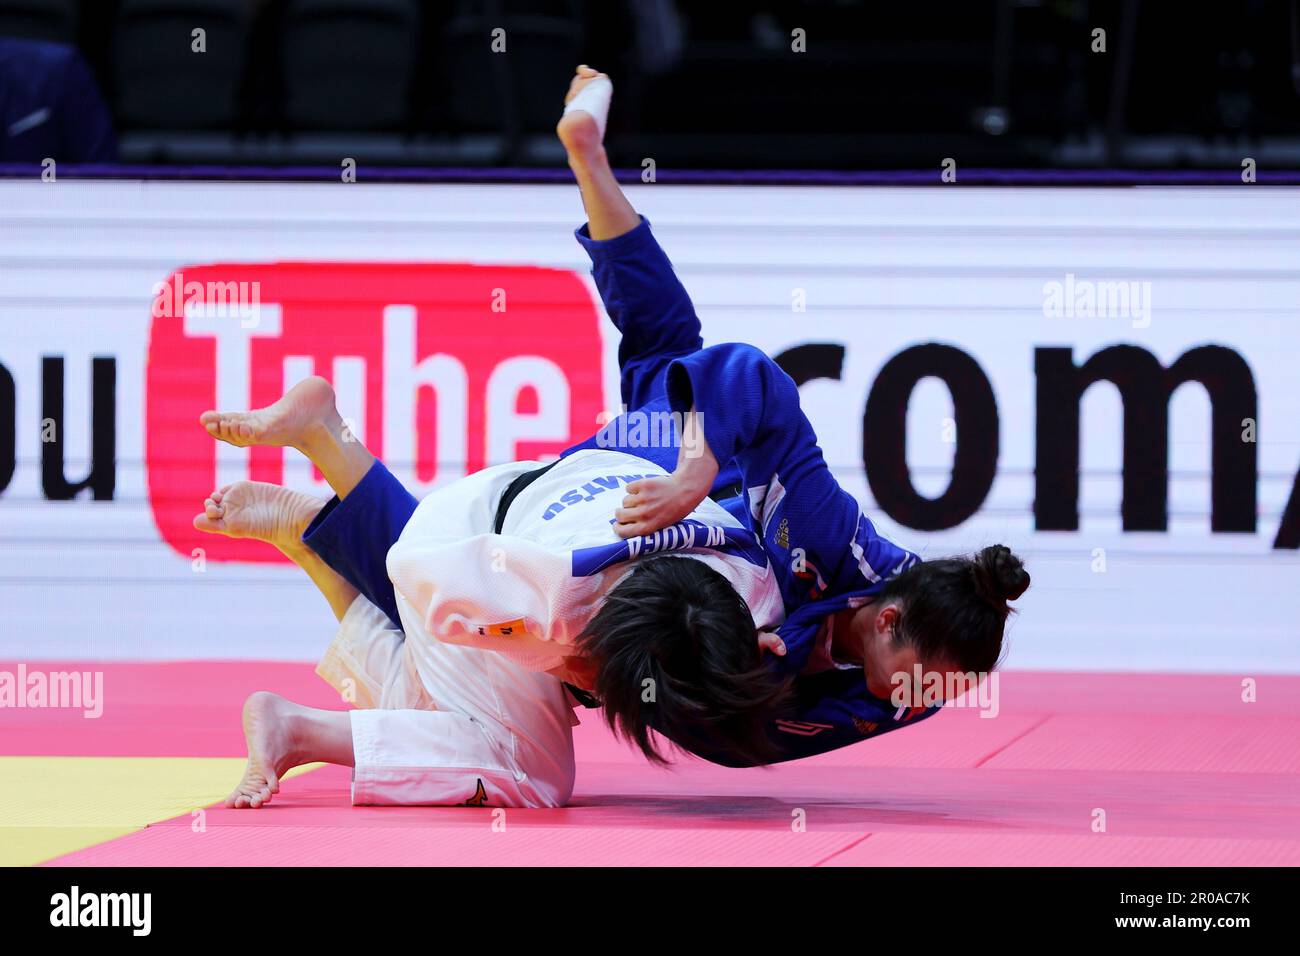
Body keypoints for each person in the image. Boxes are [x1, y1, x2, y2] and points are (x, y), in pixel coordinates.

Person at [195, 66, 1030, 809]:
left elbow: (754, 744)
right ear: (887, 622)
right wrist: (698, 469)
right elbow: (753, 380)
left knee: (664, 349)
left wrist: (741, 675)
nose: (922, 703)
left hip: (665, 528)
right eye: (929, 680)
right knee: (514, 613)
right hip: (657, 477)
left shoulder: (912, 685)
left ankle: (587, 154)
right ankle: (330, 468)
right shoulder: (832, 540)